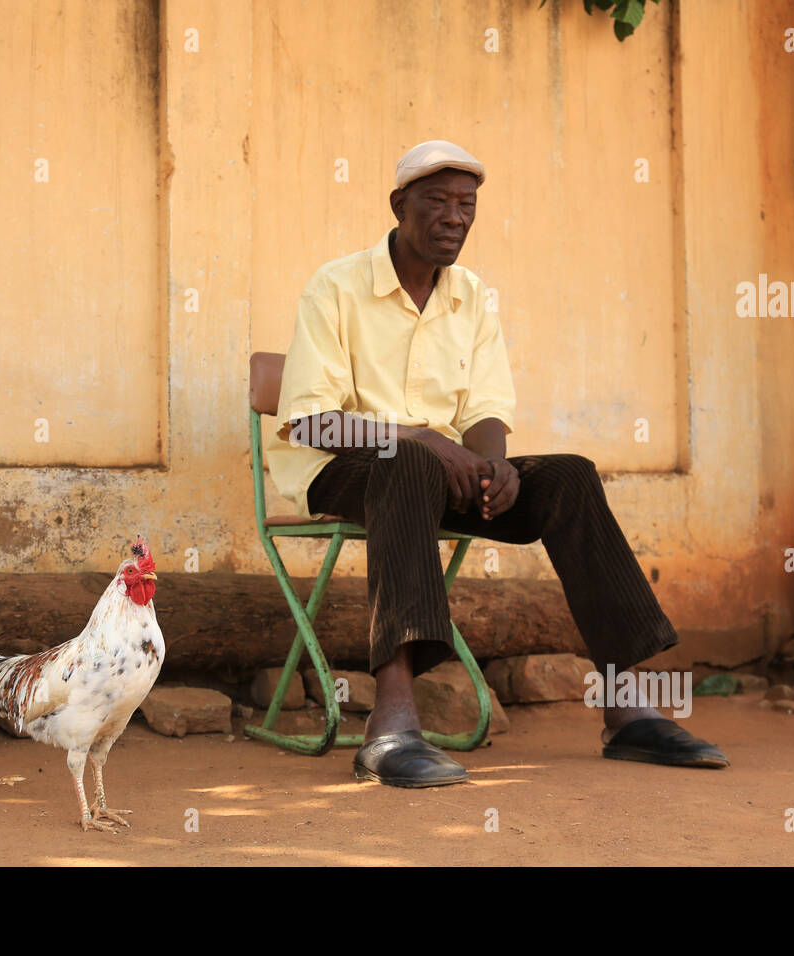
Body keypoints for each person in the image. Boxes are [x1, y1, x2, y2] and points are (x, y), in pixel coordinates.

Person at [266, 140, 728, 787]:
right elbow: (311, 419)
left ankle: (627, 709)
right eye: (438, 201)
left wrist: (494, 467)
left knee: (568, 475)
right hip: (343, 468)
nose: (455, 217)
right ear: (400, 205)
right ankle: (391, 724)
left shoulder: (473, 297)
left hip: (441, 471)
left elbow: (486, 407)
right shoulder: (336, 286)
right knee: (407, 460)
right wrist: (422, 439)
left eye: (467, 204)